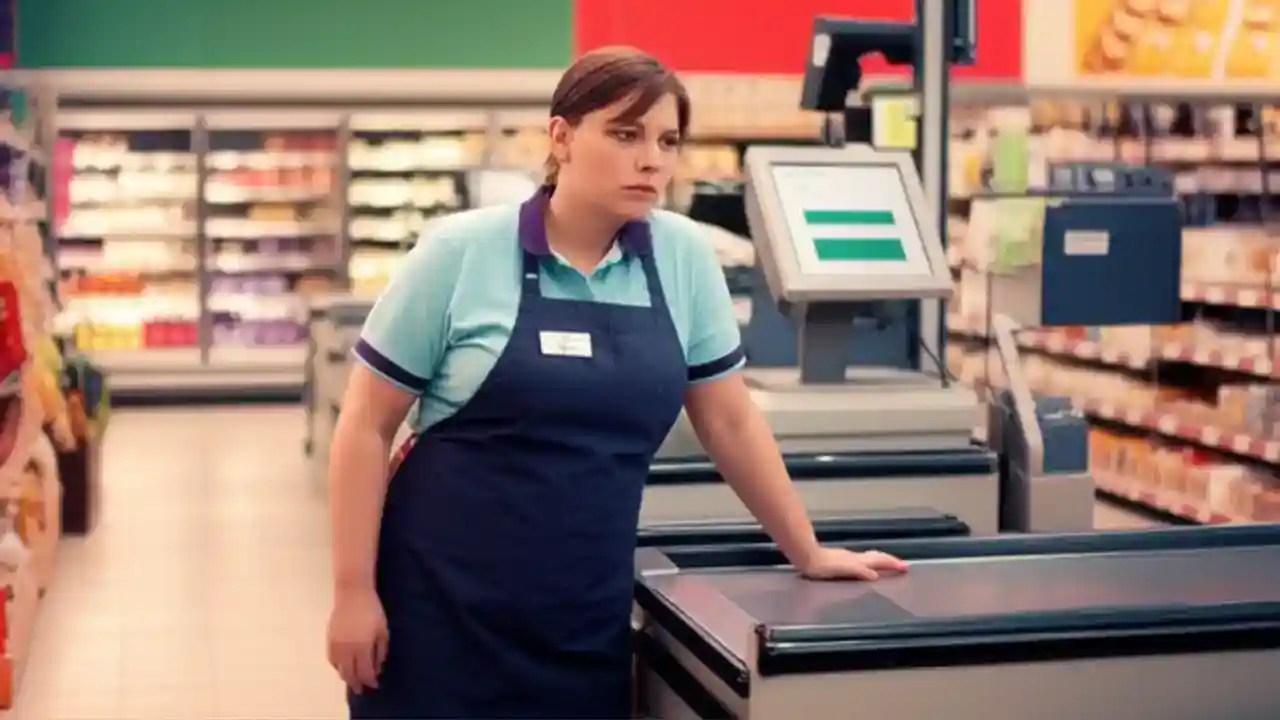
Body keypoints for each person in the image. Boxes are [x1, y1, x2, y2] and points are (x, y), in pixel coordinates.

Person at [325, 45, 908, 719]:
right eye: (625, 134)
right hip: (436, 606)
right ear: (562, 137)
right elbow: (365, 424)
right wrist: (353, 592)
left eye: (668, 141)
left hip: (581, 613)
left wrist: (806, 549)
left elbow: (729, 420)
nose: (651, 159)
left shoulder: (684, 258)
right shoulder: (461, 252)